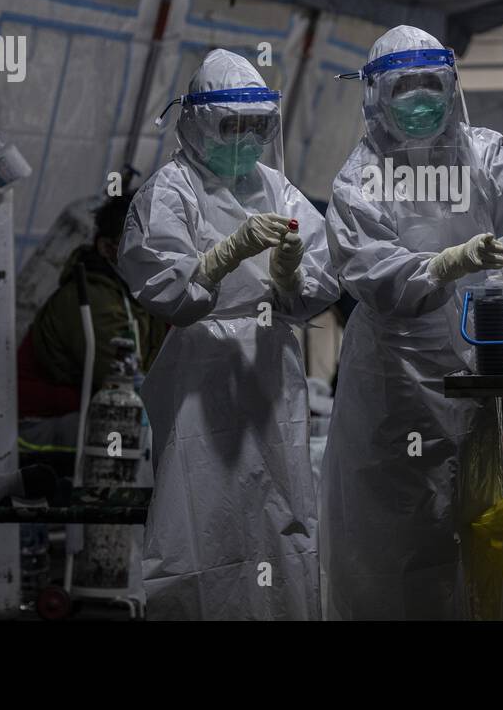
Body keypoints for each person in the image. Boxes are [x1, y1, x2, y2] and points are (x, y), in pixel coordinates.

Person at [319, 25, 503, 620]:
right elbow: (373, 275)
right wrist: (449, 263)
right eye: (405, 86)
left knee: (468, 522)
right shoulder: (358, 178)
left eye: (430, 83)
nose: (420, 98)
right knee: (394, 535)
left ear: (451, 86)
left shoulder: (489, 158)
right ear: (376, 96)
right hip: (393, 380)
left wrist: (501, 303)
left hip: (473, 368)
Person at [118, 49, 339, 620]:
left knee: (279, 515)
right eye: (231, 124)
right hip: (202, 369)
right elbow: (162, 288)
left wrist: (290, 272)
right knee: (198, 520)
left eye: (256, 125)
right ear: (196, 122)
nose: (245, 138)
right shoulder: (171, 191)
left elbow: (320, 279)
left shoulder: (276, 187)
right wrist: (221, 257)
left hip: (269, 374)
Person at [20, 195, 170, 428]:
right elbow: (124, 385)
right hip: (37, 425)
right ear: (107, 248)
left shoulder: (144, 295)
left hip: (84, 417)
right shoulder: (92, 300)